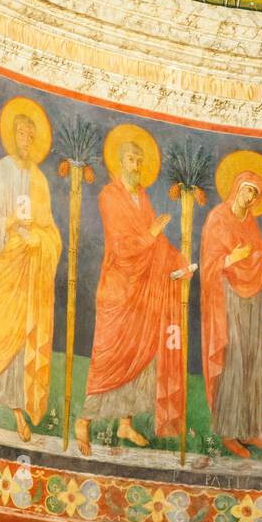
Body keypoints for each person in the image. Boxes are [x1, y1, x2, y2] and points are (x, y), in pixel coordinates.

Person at [76, 127, 194, 455]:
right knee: (109, 356)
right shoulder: (110, 196)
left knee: (142, 356)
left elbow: (157, 245)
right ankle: (84, 420)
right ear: (119, 162)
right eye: (132, 158)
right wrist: (152, 232)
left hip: (143, 288)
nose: (137, 164)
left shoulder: (141, 197)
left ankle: (125, 423)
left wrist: (178, 262)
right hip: (118, 287)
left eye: (140, 160)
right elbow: (122, 244)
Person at [0, 102, 61, 442]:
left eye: (31, 134)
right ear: (12, 136)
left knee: (22, 337)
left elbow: (51, 230)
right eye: (21, 133)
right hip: (6, 263)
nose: (25, 139)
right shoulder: (1, 170)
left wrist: (39, 240)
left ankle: (15, 410)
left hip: (29, 267)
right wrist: (11, 224)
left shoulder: (40, 181)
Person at [200, 160, 262, 457]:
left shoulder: (251, 222)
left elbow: (258, 264)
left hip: (253, 303)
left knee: (253, 361)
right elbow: (210, 265)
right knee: (234, 361)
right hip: (227, 300)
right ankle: (228, 431)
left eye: (254, 194)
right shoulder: (218, 218)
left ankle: (250, 430)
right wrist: (230, 259)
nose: (249, 197)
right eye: (246, 190)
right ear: (235, 188)